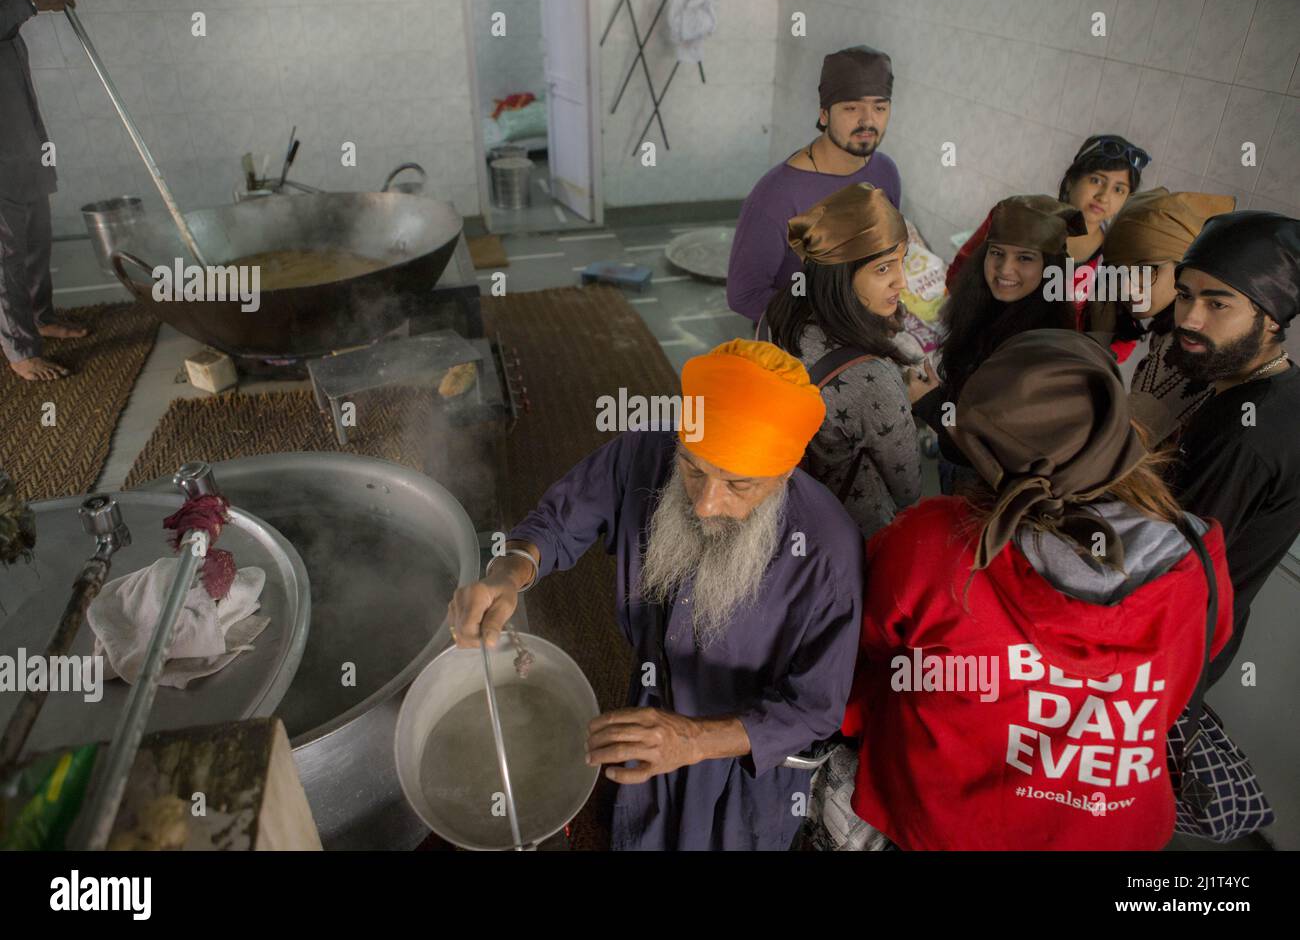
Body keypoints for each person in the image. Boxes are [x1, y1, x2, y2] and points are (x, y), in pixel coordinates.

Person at [444, 339, 864, 850]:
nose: (706, 504)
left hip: (741, 766)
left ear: (782, 476)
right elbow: (560, 520)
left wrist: (690, 740)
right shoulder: (649, 451)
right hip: (648, 704)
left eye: (737, 485)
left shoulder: (826, 555)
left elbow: (815, 708)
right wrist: (508, 572)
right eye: (693, 470)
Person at [841, 329, 1234, 850]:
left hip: (950, 824)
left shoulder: (932, 545)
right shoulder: (1195, 554)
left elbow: (870, 650)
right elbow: (1198, 659)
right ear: (1116, 424)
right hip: (1110, 830)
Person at [1165, 211, 1300, 685]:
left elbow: (1170, 572)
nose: (1189, 318)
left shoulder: (1244, 436)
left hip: (1167, 655)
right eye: (1184, 296)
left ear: (1271, 319)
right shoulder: (1273, 385)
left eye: (1217, 304)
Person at [761, 183, 922, 537]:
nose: (903, 282)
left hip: (776, 511)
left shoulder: (779, 312)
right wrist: (903, 405)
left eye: (902, 261)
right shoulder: (873, 378)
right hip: (846, 530)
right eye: (883, 269)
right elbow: (908, 489)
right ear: (839, 277)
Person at [913, 195, 1084, 488]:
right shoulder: (982, 305)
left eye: (1025, 258)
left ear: (1050, 268)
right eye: (997, 253)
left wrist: (930, 403)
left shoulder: (1043, 350)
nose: (1005, 269)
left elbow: (991, 455)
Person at [727, 45, 902, 323]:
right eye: (851, 108)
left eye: (879, 107)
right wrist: (825, 320)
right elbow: (744, 295)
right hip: (801, 341)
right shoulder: (778, 194)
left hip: (865, 331)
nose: (868, 120)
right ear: (824, 114)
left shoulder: (885, 172)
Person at [946, 134, 1148, 357]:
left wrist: (1079, 365)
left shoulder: (1116, 260)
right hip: (984, 350)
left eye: (1119, 189)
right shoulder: (1019, 217)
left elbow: (1122, 340)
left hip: (1049, 370)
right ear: (1071, 180)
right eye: (1096, 180)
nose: (1103, 196)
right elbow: (959, 274)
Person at [1096, 188, 1236, 445]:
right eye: (1118, 270)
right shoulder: (1183, 331)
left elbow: (1121, 444)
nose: (1128, 286)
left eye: (1147, 269)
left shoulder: (1188, 345)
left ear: (1186, 268)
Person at [1, 0, 88, 382]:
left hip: (22, 144)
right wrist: (30, 1)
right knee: (6, 255)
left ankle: (39, 317)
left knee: (37, 237)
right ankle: (19, 349)